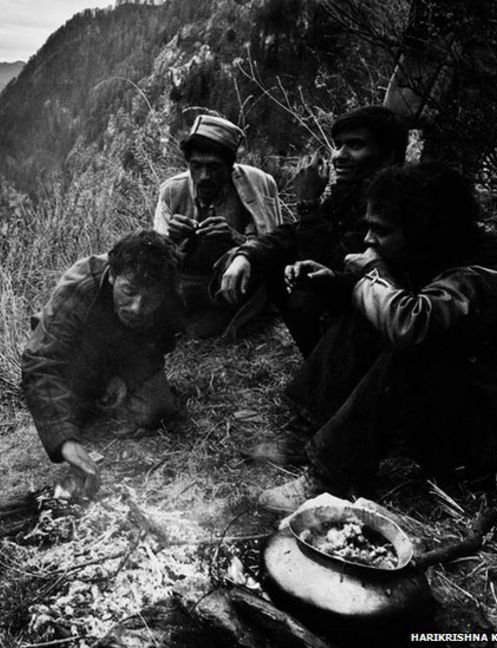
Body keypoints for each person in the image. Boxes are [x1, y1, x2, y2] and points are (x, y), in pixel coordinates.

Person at [258, 163, 497, 512]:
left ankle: (327, 478)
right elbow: (400, 303)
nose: (369, 240)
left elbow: (412, 326)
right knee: (368, 310)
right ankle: (308, 431)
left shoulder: (485, 279)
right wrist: (336, 284)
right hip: (474, 408)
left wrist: (371, 275)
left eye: (381, 231)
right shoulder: (439, 258)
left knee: (413, 350)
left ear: (425, 234)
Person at [219, 105, 408, 355]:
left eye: (355, 145)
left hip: (379, 320)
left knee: (304, 293)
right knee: (263, 261)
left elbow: (333, 265)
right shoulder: (350, 191)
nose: (338, 156)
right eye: (338, 145)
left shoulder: (393, 201)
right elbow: (291, 234)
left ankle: (329, 371)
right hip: (354, 310)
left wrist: (308, 204)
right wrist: (247, 254)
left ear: (388, 155)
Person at [22, 231, 185, 497]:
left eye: (150, 298)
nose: (137, 307)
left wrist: (126, 376)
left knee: (156, 411)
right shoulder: (80, 285)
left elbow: (160, 342)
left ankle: (96, 394)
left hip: (121, 354)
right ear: (112, 275)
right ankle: (79, 402)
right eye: (128, 292)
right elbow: (41, 360)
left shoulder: (169, 292)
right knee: (65, 413)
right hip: (74, 355)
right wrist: (66, 443)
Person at [154, 114, 282, 337]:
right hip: (190, 282)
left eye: (214, 167)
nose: (204, 176)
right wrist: (171, 240)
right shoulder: (172, 191)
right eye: (196, 165)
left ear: (230, 167)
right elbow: (155, 255)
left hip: (235, 281)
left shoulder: (256, 186)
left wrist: (235, 239)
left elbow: (272, 246)